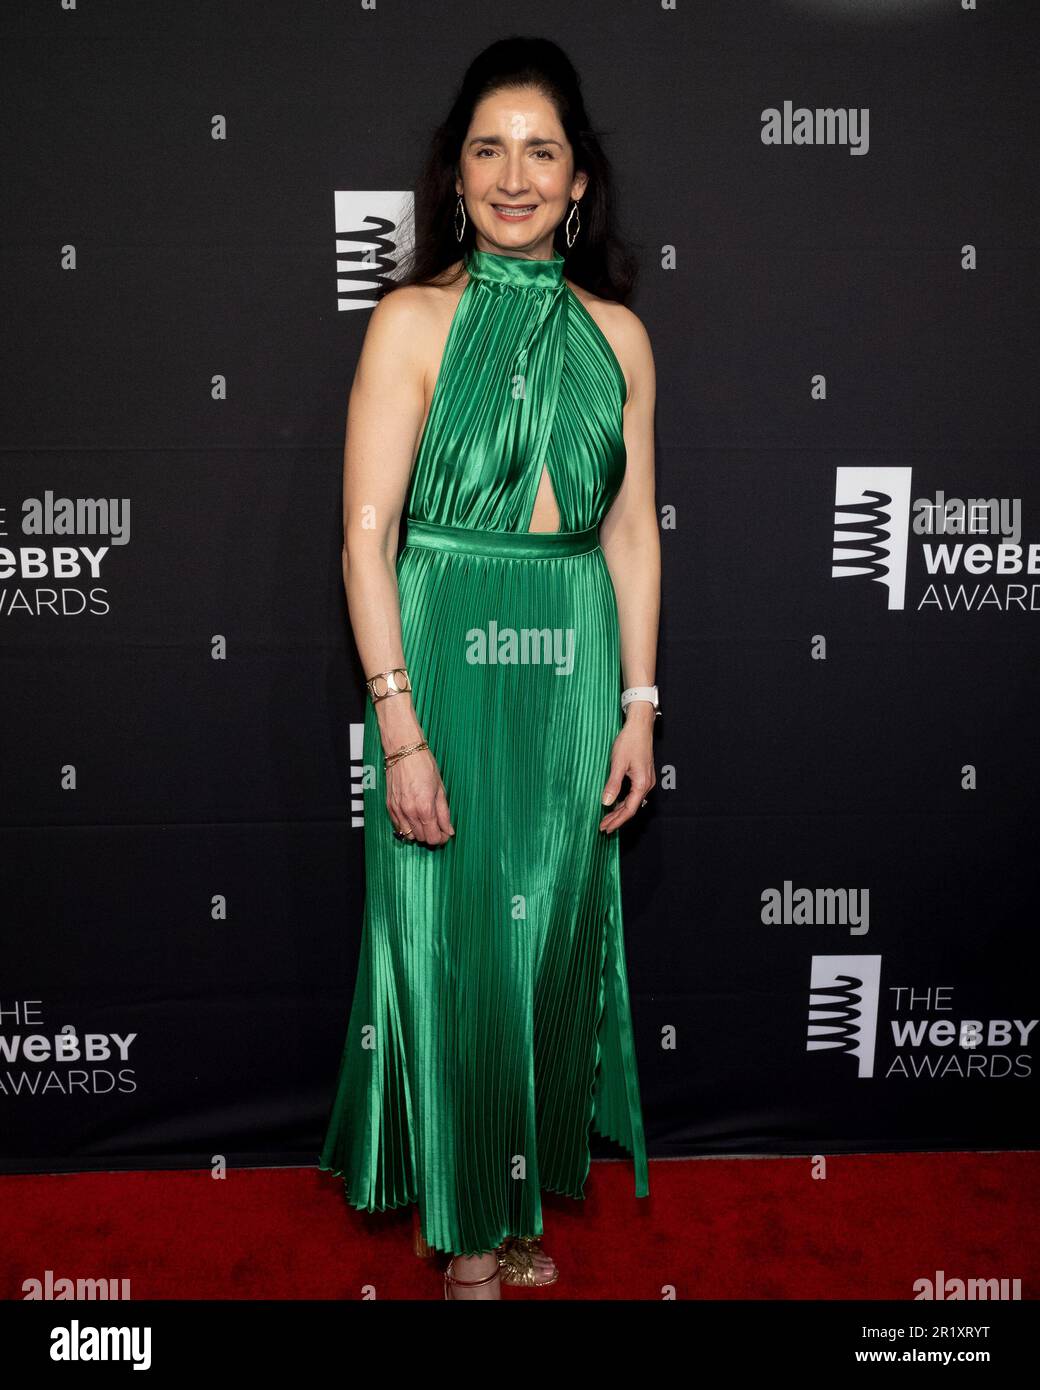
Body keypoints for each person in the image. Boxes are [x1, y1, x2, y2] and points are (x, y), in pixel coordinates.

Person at [318, 35, 660, 1300]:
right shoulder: (411, 319)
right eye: (487, 148)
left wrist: (635, 703)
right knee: (453, 945)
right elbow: (365, 540)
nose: (514, 174)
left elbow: (628, 531)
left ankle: (516, 1208)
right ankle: (467, 1240)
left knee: (549, 939)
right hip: (444, 652)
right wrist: (398, 727)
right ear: (453, 176)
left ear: (579, 184)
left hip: (573, 668)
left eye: (541, 151)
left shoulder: (619, 338)